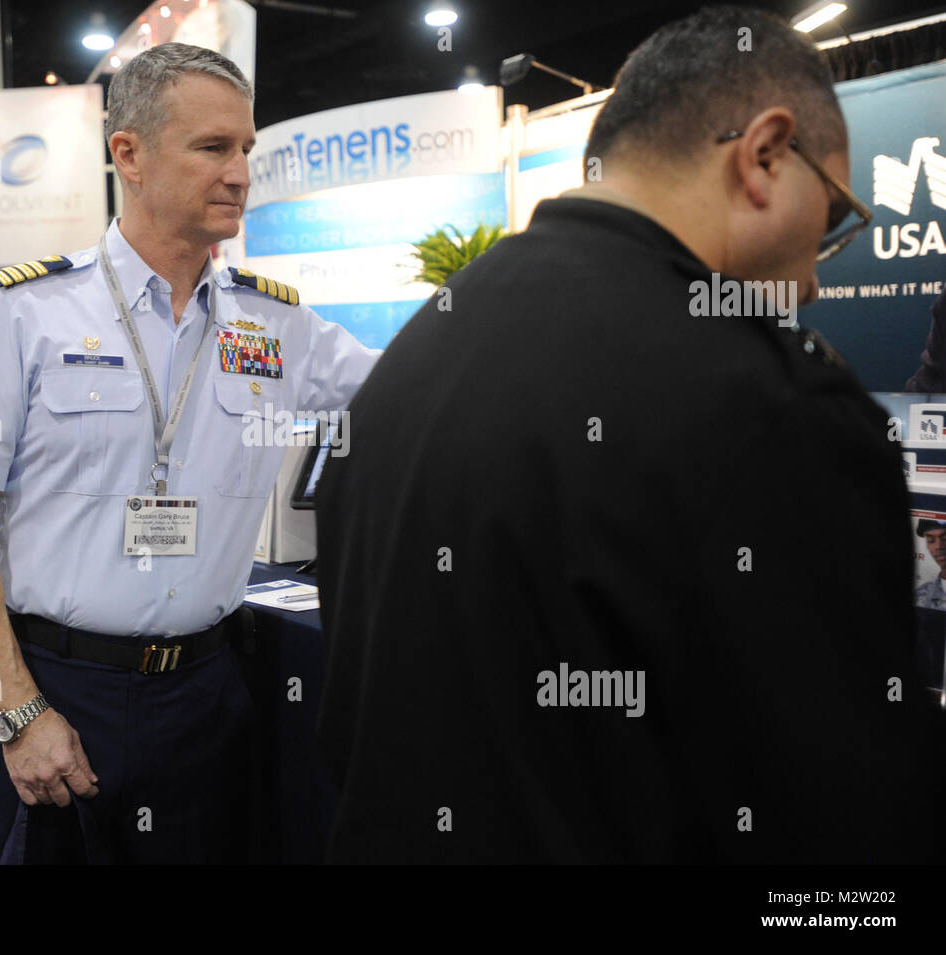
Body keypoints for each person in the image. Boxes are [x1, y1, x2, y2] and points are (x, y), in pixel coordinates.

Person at [315, 6, 946, 864]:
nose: (813, 281)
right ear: (765, 155)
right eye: (833, 219)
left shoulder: (413, 359)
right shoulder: (774, 408)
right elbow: (841, 839)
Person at [0, 42, 378, 864]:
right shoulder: (30, 311)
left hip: (204, 702)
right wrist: (17, 710)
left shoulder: (275, 325)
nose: (239, 172)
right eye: (212, 148)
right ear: (128, 152)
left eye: (246, 149)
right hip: (47, 684)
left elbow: (411, 393)